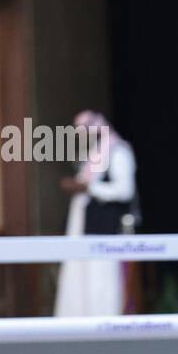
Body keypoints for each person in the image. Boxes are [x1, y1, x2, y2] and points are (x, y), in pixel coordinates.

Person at [55, 111, 139, 317]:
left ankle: (104, 320)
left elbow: (125, 190)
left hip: (104, 227)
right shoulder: (95, 153)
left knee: (102, 277)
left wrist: (89, 188)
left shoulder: (118, 152)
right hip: (85, 224)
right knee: (81, 274)